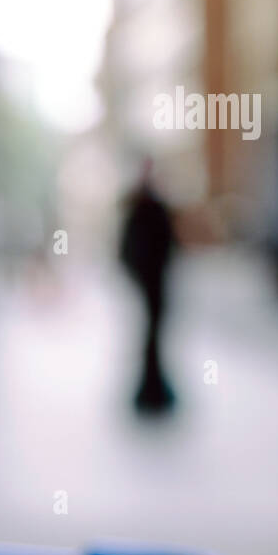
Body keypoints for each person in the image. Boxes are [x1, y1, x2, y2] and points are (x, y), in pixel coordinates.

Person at [118, 161, 176, 413]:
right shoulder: (143, 209)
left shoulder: (152, 208)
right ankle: (151, 391)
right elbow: (127, 251)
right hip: (150, 285)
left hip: (156, 285)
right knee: (150, 337)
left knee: (154, 337)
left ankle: (153, 390)